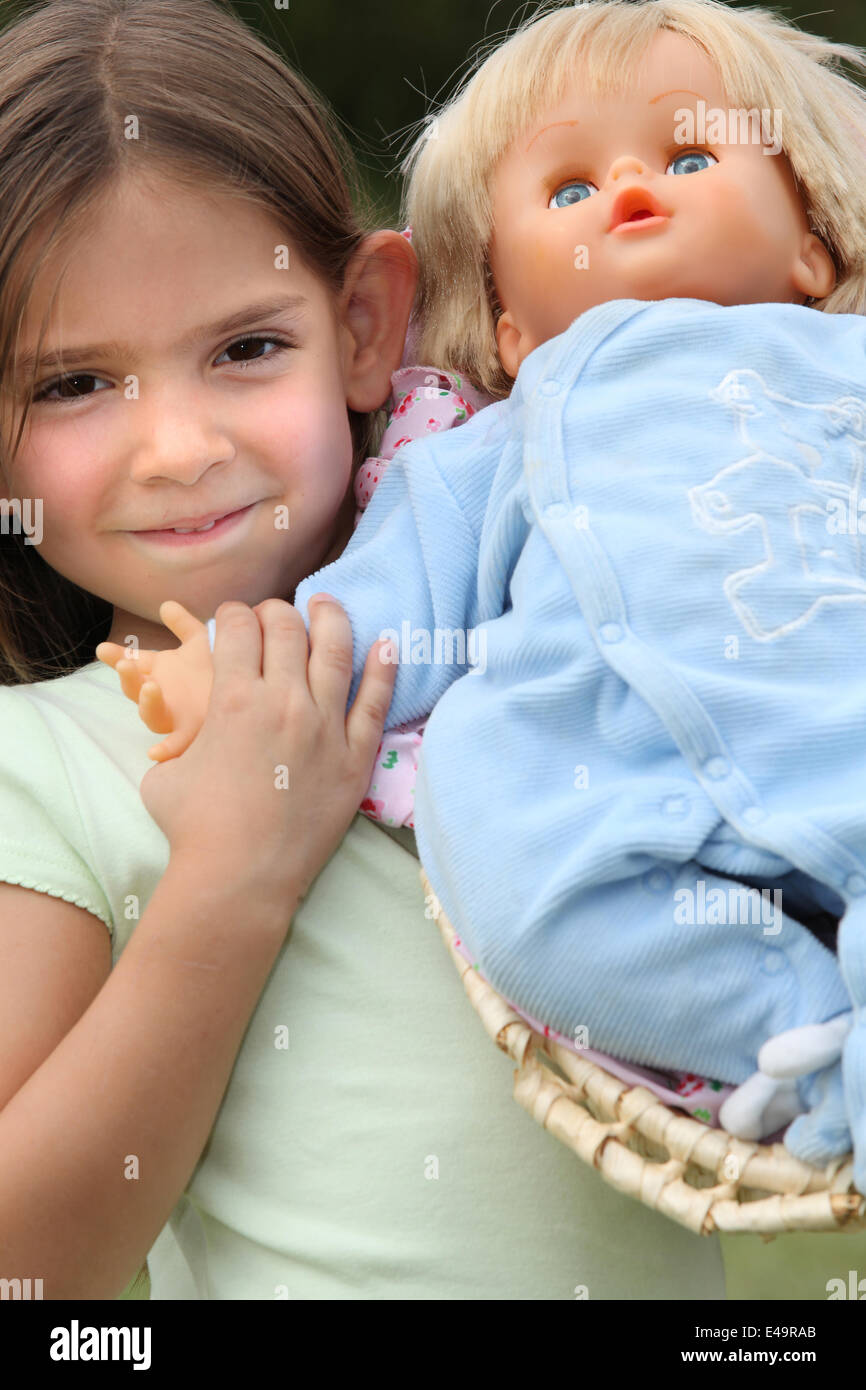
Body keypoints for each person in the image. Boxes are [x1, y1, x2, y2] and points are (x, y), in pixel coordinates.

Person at [0, 0, 727, 1302]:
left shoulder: (544, 649)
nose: (177, 446)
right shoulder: (44, 759)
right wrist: (230, 875)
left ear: (365, 323)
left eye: (244, 348)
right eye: (72, 383)